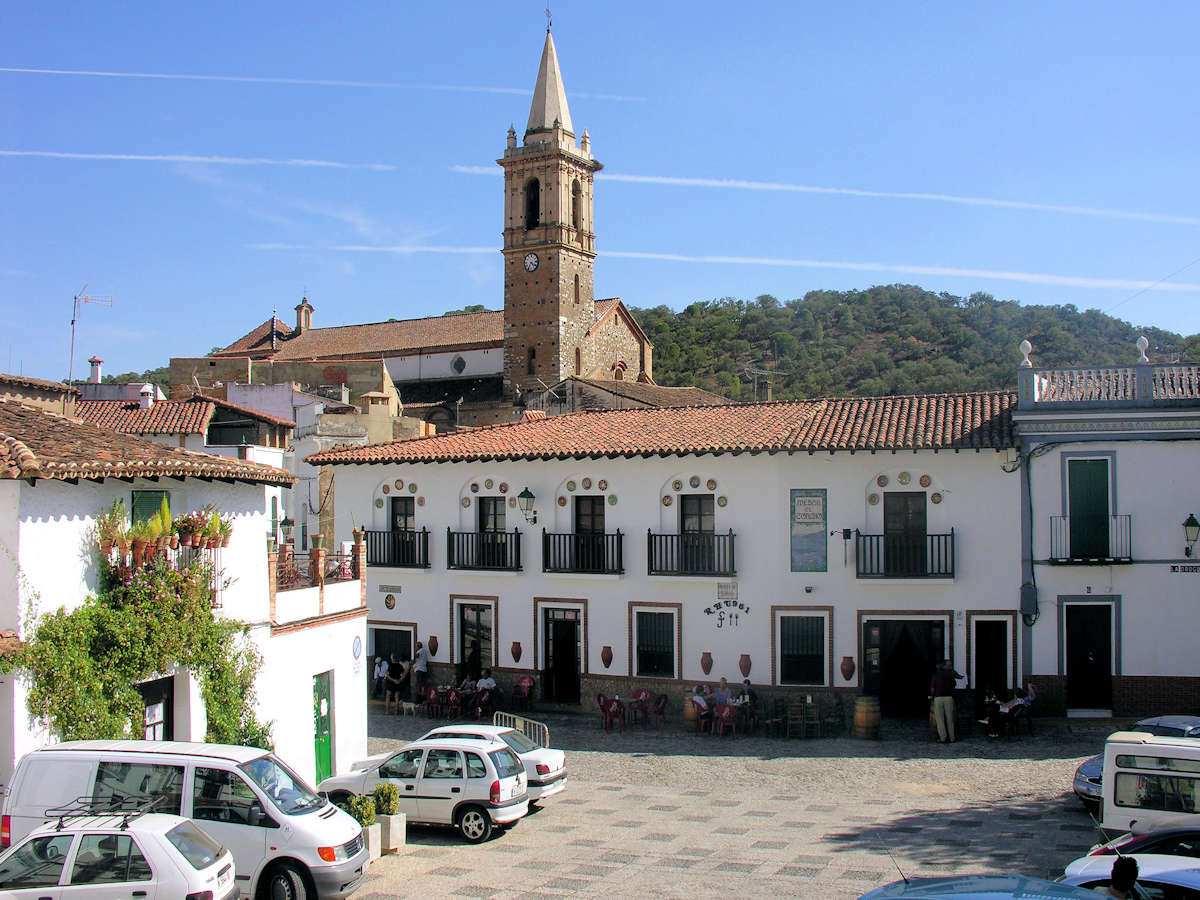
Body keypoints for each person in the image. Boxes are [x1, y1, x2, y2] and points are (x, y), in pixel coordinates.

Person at [929, 658, 962, 743]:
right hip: (948, 697)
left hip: (938, 698)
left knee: (940, 720)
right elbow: (954, 685)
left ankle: (943, 738)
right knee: (950, 719)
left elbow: (932, 688)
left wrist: (933, 696)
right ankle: (952, 738)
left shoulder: (936, 675)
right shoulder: (950, 675)